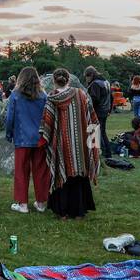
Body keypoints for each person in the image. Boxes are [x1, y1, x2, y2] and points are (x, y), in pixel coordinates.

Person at [41, 68, 99, 220]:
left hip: (61, 143)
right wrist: (93, 140)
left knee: (63, 173)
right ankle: (79, 211)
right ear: (68, 80)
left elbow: (47, 124)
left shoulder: (52, 97)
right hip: (80, 144)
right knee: (79, 173)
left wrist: (45, 140)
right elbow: (91, 117)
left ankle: (63, 212)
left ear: (54, 81)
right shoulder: (81, 94)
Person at [5, 66, 49, 213]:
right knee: (41, 171)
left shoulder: (15, 95)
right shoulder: (43, 95)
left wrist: (8, 133)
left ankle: (22, 204)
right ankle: (41, 203)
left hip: (22, 137)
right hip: (40, 138)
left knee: (21, 171)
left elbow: (9, 117)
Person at [83, 66, 112, 146]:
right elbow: (111, 97)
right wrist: (110, 109)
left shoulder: (95, 83)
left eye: (86, 76)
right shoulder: (106, 81)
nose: (86, 79)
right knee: (102, 131)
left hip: (98, 110)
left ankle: (103, 152)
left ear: (91, 75)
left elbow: (95, 99)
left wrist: (90, 109)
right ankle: (105, 151)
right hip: (105, 109)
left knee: (96, 132)